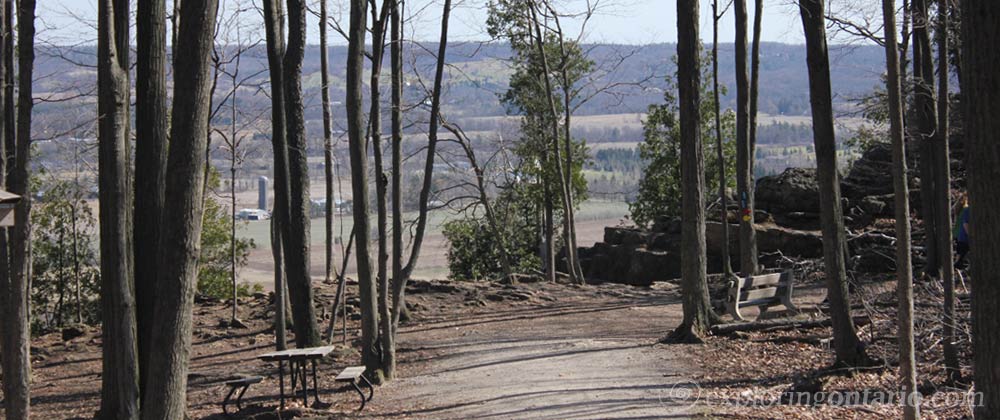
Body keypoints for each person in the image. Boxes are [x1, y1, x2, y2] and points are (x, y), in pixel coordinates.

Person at [954, 194, 970, 270]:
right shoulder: (966, 209)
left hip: (958, 233)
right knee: (962, 253)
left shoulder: (959, 209)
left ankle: (956, 268)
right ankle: (957, 268)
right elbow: (965, 224)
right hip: (963, 235)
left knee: (959, 252)